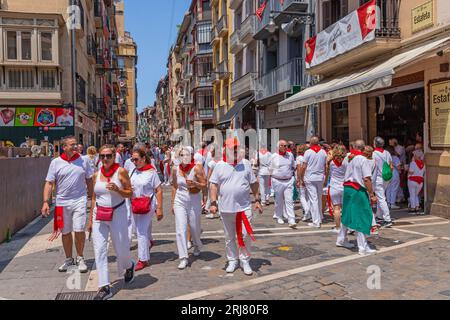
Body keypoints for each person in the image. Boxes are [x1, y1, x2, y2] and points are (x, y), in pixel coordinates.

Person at [209, 138, 263, 276]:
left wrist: (257, 199)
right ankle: (232, 260)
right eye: (232, 148)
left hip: (244, 207)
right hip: (226, 208)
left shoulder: (245, 164)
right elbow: (213, 185)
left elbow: (253, 183)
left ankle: (245, 260)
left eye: (236, 148)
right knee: (229, 237)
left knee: (244, 236)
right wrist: (213, 203)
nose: (235, 151)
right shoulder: (219, 165)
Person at [88, 144, 135, 300]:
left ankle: (129, 266)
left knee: (121, 249)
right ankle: (104, 286)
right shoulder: (96, 175)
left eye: (108, 156)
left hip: (118, 212)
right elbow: (94, 197)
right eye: (102, 156)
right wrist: (90, 220)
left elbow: (130, 193)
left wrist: (118, 190)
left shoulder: (121, 172)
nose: (105, 159)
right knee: (99, 249)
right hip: (99, 214)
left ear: (114, 156)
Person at [41, 136, 93, 273]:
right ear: (64, 147)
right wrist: (46, 202)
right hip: (62, 202)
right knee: (65, 232)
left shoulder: (84, 160)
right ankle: (69, 259)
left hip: (79, 200)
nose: (75, 147)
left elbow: (89, 179)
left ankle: (80, 258)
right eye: (72, 145)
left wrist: (93, 198)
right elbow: (49, 183)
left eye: (76, 144)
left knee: (80, 229)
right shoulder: (55, 162)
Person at [337, 140, 378, 256]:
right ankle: (363, 247)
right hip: (357, 189)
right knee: (362, 216)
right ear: (364, 148)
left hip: (348, 188)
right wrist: (371, 194)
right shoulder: (363, 160)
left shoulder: (350, 158)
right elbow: (366, 179)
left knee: (347, 214)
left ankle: (341, 239)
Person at [172, 147, 207, 269]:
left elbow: (204, 184)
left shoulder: (197, 168)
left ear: (191, 156)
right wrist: (173, 203)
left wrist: (195, 184)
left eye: (187, 155)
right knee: (180, 229)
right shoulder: (175, 169)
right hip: (180, 200)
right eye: (182, 155)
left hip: (194, 200)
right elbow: (174, 186)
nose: (184, 157)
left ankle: (197, 244)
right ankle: (183, 257)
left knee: (194, 227)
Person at [129, 149, 164, 271]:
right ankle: (149, 242)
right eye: (132, 159)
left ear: (144, 159)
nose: (134, 162)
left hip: (147, 204)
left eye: (136, 159)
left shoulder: (151, 172)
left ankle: (143, 259)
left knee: (141, 230)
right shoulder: (133, 171)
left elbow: (158, 190)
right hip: (134, 204)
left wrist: (159, 208)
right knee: (137, 229)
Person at [299, 136, 328, 229]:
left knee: (314, 199)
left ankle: (316, 221)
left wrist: (301, 177)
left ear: (311, 143)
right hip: (320, 177)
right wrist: (326, 178)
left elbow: (304, 166)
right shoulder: (323, 152)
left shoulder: (308, 152)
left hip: (310, 177)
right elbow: (326, 166)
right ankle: (319, 218)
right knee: (318, 198)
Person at [270, 140, 297, 228]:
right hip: (277, 181)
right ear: (278, 147)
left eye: (286, 145)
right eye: (283, 145)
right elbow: (270, 169)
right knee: (279, 200)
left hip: (288, 180)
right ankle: (279, 216)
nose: (285, 147)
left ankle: (291, 220)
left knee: (289, 200)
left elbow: (293, 166)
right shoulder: (273, 156)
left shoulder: (290, 155)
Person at [326, 145, 348, 233]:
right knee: (346, 208)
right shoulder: (346, 162)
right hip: (344, 186)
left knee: (336, 208)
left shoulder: (331, 162)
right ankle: (347, 227)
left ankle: (338, 227)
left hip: (334, 186)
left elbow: (328, 172)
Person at [373, 137, 394, 228]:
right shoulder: (387, 153)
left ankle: (387, 219)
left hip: (378, 178)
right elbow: (391, 166)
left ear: (375, 144)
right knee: (380, 197)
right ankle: (379, 216)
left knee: (381, 198)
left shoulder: (374, 154)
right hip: (386, 178)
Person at [408, 149, 425, 214]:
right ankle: (417, 206)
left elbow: (411, 172)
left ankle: (413, 207)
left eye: (414, 155)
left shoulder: (413, 163)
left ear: (415, 156)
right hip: (420, 182)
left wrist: (407, 170)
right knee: (416, 195)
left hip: (412, 180)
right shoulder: (423, 164)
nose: (413, 156)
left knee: (412, 194)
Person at [296, 144, 310, 221]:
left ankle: (306, 209)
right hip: (308, 177)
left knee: (302, 196)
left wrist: (298, 179)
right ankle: (308, 213)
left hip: (302, 177)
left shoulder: (299, 158)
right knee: (307, 196)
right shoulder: (307, 157)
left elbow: (299, 169)